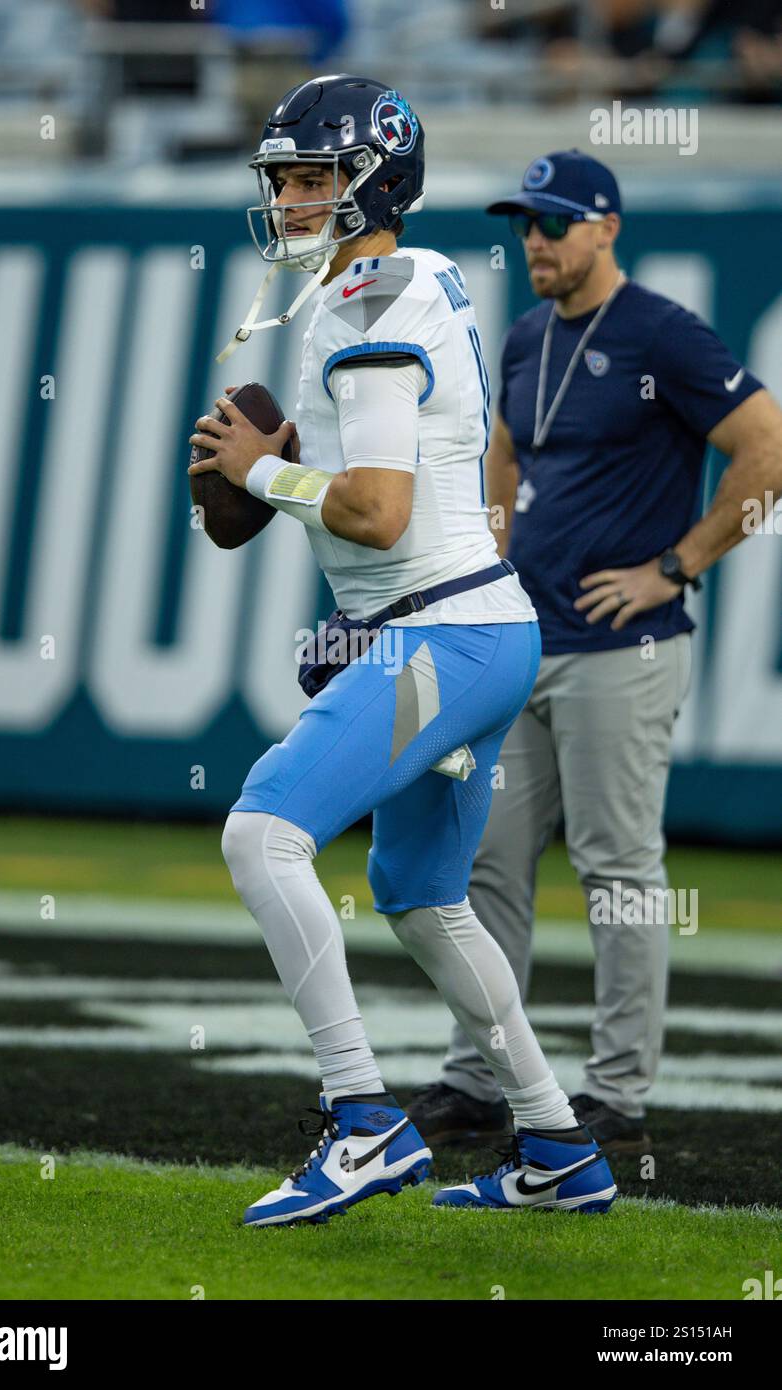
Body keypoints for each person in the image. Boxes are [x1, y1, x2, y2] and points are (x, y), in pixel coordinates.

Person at [189, 83, 617, 1225]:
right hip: (469, 626)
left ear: (373, 178)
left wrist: (259, 474)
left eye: (311, 175)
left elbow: (375, 513)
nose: (288, 198)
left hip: (449, 628)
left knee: (262, 831)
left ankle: (363, 1119)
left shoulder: (373, 297)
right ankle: (557, 1145)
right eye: (279, 178)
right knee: (422, 897)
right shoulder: (386, 288)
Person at [408, 149, 782, 1153]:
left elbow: (767, 448)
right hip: (525, 638)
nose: (534, 238)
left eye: (553, 221)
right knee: (484, 862)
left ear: (604, 228)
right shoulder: (529, 338)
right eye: (525, 222)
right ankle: (477, 1077)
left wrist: (677, 564)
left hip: (624, 645)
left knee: (615, 867)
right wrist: (487, 556)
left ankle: (615, 1091)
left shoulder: (661, 332)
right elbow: (501, 452)